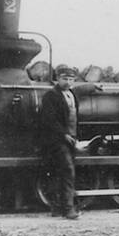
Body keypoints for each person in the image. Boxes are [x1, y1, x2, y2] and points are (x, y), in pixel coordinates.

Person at [39, 66, 81, 218]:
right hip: (56, 140)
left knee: (60, 173)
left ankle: (57, 208)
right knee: (68, 171)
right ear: (58, 79)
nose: (68, 82)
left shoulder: (72, 94)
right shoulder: (51, 96)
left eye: (71, 79)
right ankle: (68, 209)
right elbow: (48, 119)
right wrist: (64, 134)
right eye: (65, 79)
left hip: (70, 139)